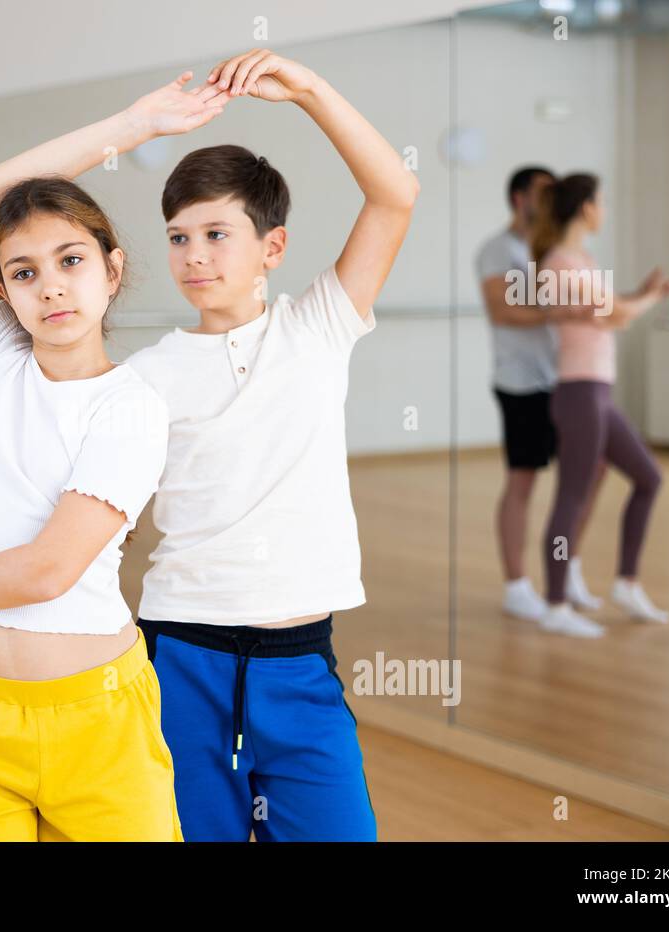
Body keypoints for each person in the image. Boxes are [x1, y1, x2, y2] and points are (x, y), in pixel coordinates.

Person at [0, 71, 231, 841]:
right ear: (3, 292)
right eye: (25, 274)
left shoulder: (130, 407)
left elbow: (49, 569)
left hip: (98, 724)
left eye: (71, 261)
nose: (50, 288)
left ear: (112, 270)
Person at [124, 49, 417, 841]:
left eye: (217, 233)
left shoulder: (319, 328)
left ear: (272, 249)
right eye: (179, 237)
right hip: (181, 662)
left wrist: (312, 91)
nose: (194, 256)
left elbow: (396, 195)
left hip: (300, 666)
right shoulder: (146, 376)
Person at [534, 173, 669, 633]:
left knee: (649, 477)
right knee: (572, 495)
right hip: (578, 394)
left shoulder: (582, 260)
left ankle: (626, 582)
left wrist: (635, 297)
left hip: (597, 393)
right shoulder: (560, 264)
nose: (606, 209)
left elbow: (610, 313)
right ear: (586, 208)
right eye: (603, 201)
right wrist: (649, 297)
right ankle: (555, 604)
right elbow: (617, 315)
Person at [475, 165, 606, 632]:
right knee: (523, 481)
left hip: (566, 380)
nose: (551, 199)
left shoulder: (555, 250)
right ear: (519, 199)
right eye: (542, 192)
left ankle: (564, 566)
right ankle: (517, 587)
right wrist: (562, 310)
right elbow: (502, 310)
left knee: (590, 472)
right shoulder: (499, 250)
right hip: (522, 385)